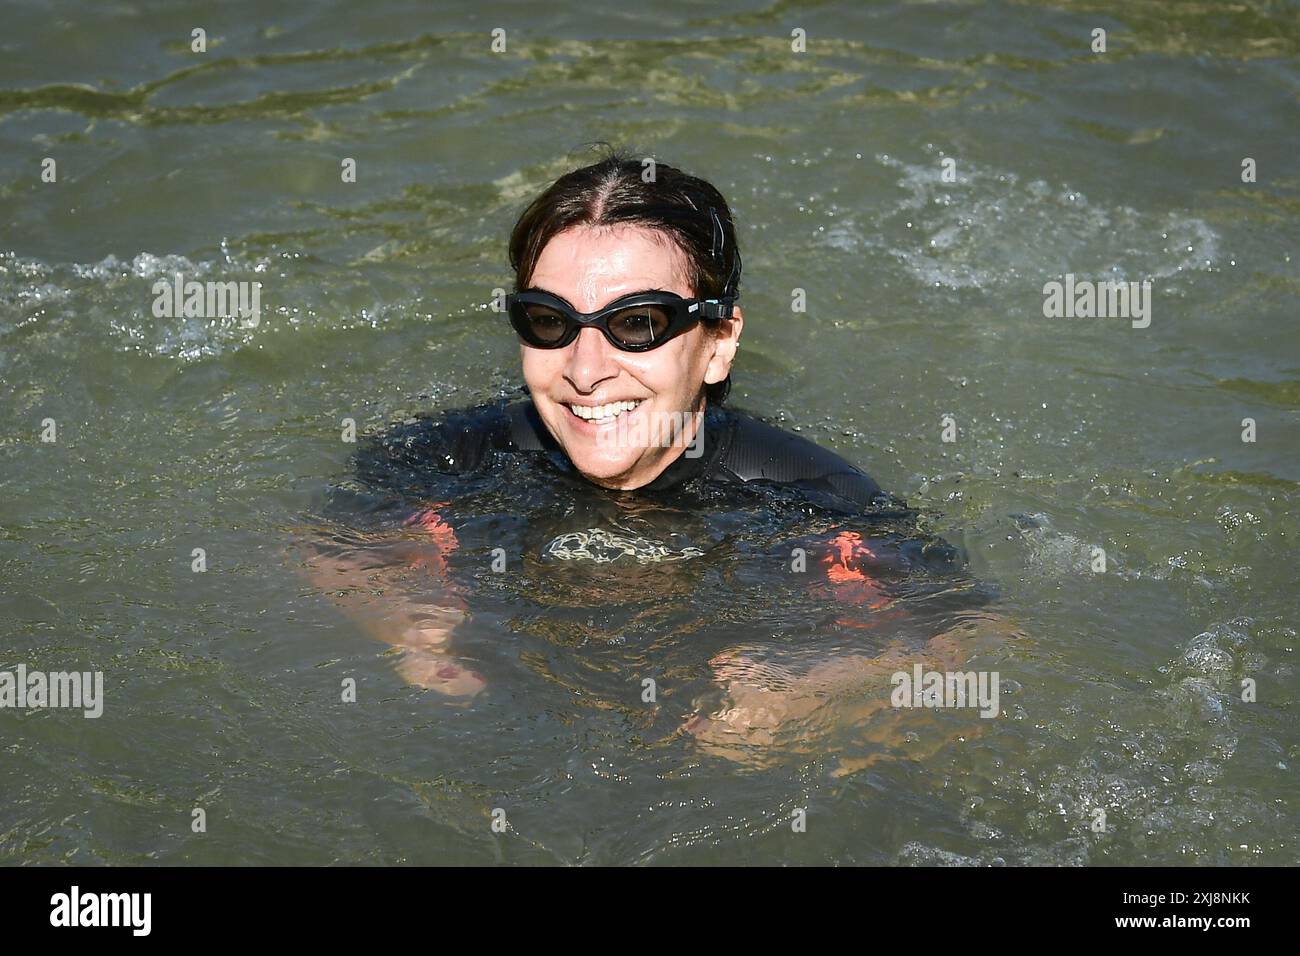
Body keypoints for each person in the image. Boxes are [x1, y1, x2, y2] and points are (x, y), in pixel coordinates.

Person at [300, 148, 1000, 763]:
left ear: (719, 342)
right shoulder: (456, 457)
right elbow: (326, 541)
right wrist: (411, 620)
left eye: (636, 323)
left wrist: (817, 689)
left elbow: (976, 642)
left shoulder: (803, 498)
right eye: (549, 321)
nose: (585, 370)